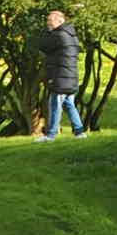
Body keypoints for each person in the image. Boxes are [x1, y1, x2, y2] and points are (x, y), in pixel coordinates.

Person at [38, 8, 84, 139]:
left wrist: (47, 32)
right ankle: (80, 132)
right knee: (69, 104)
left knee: (54, 105)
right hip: (71, 76)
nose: (48, 23)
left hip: (61, 76)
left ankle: (51, 135)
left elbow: (43, 46)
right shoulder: (71, 34)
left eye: (50, 20)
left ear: (60, 20)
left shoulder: (58, 35)